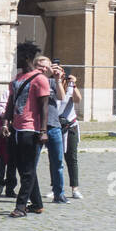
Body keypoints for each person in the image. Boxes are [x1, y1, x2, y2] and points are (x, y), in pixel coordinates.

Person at [6, 42, 50, 218]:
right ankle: (37, 204)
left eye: (17, 56)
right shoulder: (17, 79)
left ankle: (21, 206)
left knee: (28, 169)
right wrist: (5, 123)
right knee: (24, 168)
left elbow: (44, 107)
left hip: (30, 129)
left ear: (25, 57)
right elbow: (11, 102)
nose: (14, 60)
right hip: (15, 128)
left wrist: (43, 130)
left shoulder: (40, 79)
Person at [41, 57, 68, 203]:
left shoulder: (52, 82)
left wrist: (58, 79)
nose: (48, 69)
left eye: (49, 66)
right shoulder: (34, 82)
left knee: (58, 162)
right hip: (37, 127)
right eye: (45, 67)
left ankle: (59, 193)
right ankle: (30, 194)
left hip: (54, 126)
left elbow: (62, 97)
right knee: (32, 162)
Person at [59, 70, 82, 199]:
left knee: (72, 158)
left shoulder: (70, 86)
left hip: (70, 125)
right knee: (56, 159)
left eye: (62, 73)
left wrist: (72, 84)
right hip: (56, 125)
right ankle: (56, 186)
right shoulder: (53, 85)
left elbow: (78, 99)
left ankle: (75, 188)